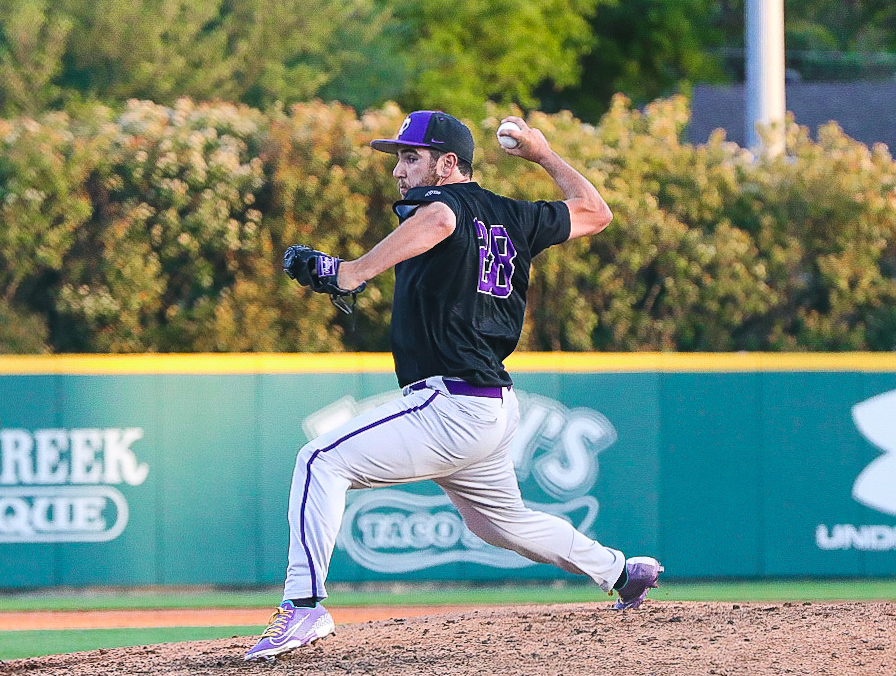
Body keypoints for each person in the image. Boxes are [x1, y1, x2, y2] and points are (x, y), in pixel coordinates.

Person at [245, 110, 663, 661]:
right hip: (490, 406)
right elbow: (595, 212)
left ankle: (303, 607)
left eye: (410, 157)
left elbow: (442, 219)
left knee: (320, 460)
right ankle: (621, 572)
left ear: (448, 163)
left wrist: (351, 272)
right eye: (398, 157)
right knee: (502, 525)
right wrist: (542, 154)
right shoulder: (514, 216)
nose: (399, 170)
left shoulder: (441, 204)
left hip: (451, 405)